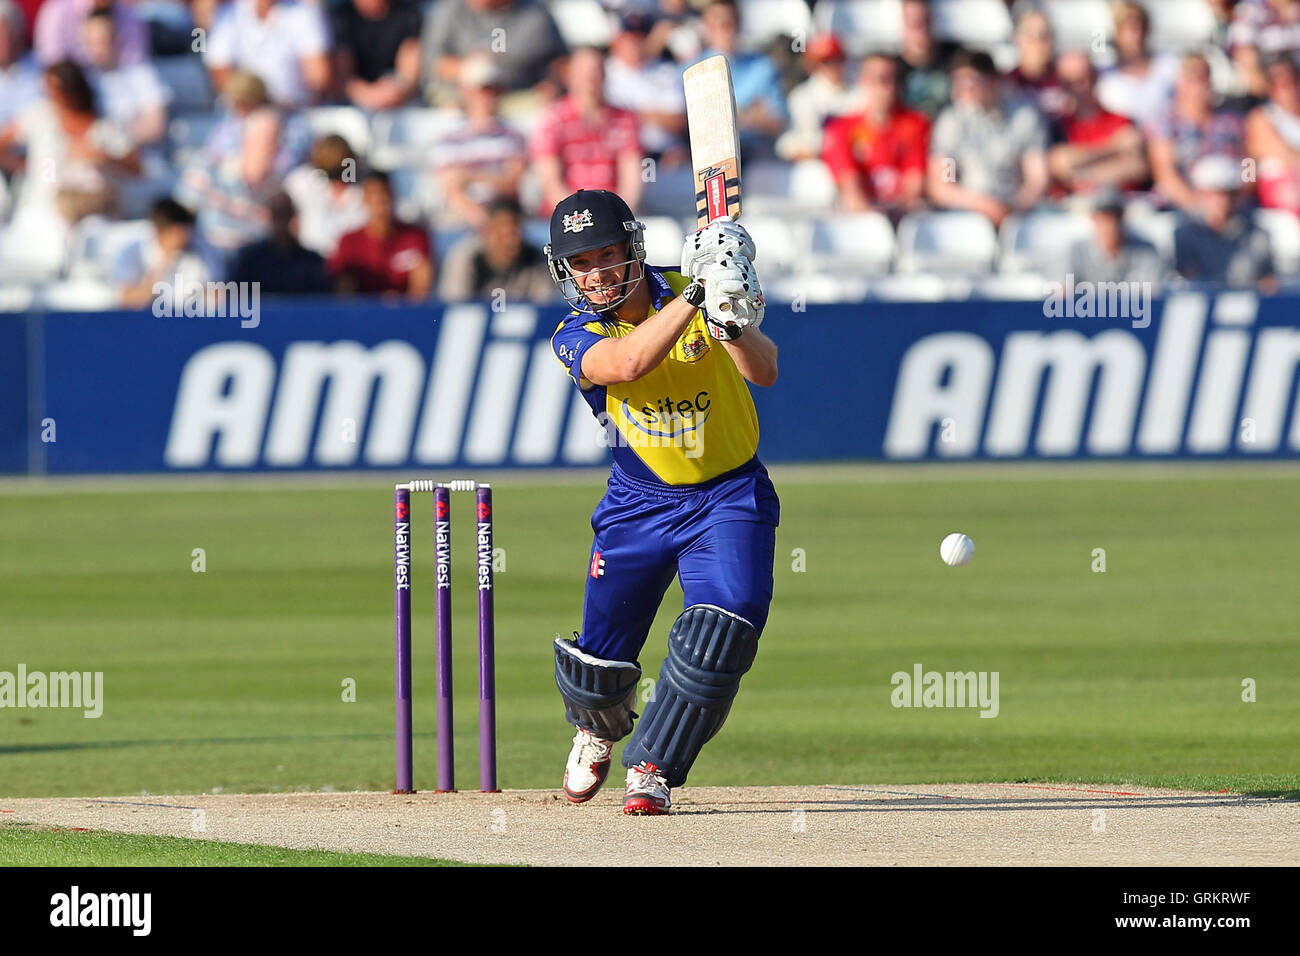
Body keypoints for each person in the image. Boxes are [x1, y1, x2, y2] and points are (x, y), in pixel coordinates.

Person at [545, 188, 778, 815]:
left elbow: (765, 370)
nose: (595, 276)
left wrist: (729, 316)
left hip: (728, 494)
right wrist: (697, 298)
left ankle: (653, 766)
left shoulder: (701, 285)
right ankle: (597, 726)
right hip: (637, 502)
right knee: (598, 665)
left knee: (722, 630)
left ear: (633, 250)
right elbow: (626, 362)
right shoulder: (576, 332)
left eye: (606, 256)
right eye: (581, 264)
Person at [927, 50, 1049, 227]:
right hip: (967, 212)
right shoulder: (951, 123)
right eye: (959, 82)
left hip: (1016, 210)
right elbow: (944, 185)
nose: (964, 89)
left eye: (972, 81)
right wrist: (983, 205)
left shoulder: (1023, 117)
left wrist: (1014, 210)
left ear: (992, 81)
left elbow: (1037, 178)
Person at [531, 46, 643, 213]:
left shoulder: (624, 119)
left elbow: (632, 178)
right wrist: (577, 216)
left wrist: (619, 213)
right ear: (569, 75)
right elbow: (550, 181)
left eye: (596, 70)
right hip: (567, 218)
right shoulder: (553, 119)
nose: (590, 77)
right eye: (583, 71)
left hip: (612, 213)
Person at [822, 52, 929, 215]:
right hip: (863, 216)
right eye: (882, 79)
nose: (890, 88)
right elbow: (850, 188)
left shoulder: (917, 124)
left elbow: (914, 184)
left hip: (901, 213)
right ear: (863, 81)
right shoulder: (841, 128)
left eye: (895, 79)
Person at [431, 55, 527, 229]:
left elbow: (512, 184)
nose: (489, 96)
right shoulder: (448, 139)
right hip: (462, 223)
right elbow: (452, 191)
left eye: (494, 89)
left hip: (504, 221)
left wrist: (469, 176)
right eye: (483, 89)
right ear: (467, 91)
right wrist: (481, 220)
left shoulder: (514, 136)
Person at [1148, 53, 1247, 216]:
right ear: (1180, 82)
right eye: (1191, 79)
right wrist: (1200, 208)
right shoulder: (1165, 124)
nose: (1198, 86)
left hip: (1230, 203)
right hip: (1182, 208)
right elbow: (1166, 176)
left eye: (1203, 79)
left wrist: (1237, 198)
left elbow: (1248, 161)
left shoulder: (1231, 121)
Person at [1049, 50, 1148, 196]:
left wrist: (1081, 171)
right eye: (1070, 83)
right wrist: (1115, 148)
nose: (1078, 89)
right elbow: (1061, 163)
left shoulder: (1120, 120)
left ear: (1095, 78)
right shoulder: (1059, 126)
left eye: (1083, 80)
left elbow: (1137, 167)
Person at [1173, 154, 1276, 290]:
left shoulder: (1257, 236)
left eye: (1228, 194)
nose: (1222, 201)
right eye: (1213, 194)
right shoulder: (1184, 236)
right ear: (1200, 194)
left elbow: (1268, 284)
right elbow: (1187, 281)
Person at [204, 0, 331, 109]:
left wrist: (278, 108)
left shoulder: (304, 13)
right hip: (244, 112)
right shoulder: (230, 13)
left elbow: (318, 79)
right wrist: (250, 101)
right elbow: (219, 70)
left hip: (294, 112)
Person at [328, 170, 435, 299]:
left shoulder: (415, 238)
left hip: (406, 313)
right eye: (373, 193)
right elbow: (344, 292)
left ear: (392, 195)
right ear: (365, 199)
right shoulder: (349, 242)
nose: (379, 199)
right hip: (363, 315)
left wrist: (402, 308)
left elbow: (421, 288)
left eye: (384, 192)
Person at [438, 195, 554, 301]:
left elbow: (544, 306)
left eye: (514, 231)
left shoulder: (536, 260)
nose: (511, 240)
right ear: (488, 231)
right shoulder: (466, 257)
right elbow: (454, 306)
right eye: (502, 233)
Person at [776, 32, 860, 163]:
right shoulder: (802, 96)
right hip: (817, 165)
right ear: (811, 65)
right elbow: (803, 141)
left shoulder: (859, 93)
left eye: (837, 59)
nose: (833, 67)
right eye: (825, 62)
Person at [1095, 1, 1180, 129]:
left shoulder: (1169, 66)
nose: (1137, 35)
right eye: (1130, 29)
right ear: (1117, 33)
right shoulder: (1104, 76)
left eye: (1141, 27)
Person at [116, 197, 210, 309]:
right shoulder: (132, 253)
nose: (185, 237)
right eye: (178, 232)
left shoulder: (198, 253)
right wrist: (163, 264)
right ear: (164, 230)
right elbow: (129, 299)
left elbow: (211, 295)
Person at [230, 191, 331, 294]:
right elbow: (236, 302)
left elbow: (323, 301)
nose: (282, 222)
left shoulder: (313, 262)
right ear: (269, 217)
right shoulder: (250, 260)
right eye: (278, 215)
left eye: (286, 214)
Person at [331, 0, 422, 111]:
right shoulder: (341, 17)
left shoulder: (408, 13)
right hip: (352, 104)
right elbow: (342, 76)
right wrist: (367, 94)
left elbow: (409, 70)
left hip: (398, 100)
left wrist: (396, 87)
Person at [1066, 188, 1165, 285]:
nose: (1110, 224)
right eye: (1103, 217)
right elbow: (1065, 292)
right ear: (1093, 218)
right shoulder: (1077, 252)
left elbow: (1153, 293)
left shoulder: (1146, 251)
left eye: (1115, 217)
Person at [1246, 55, 1300, 216]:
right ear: (1271, 88)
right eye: (1282, 84)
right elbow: (1284, 154)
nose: (1291, 89)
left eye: (1294, 81)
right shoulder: (1262, 117)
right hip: (1278, 185)